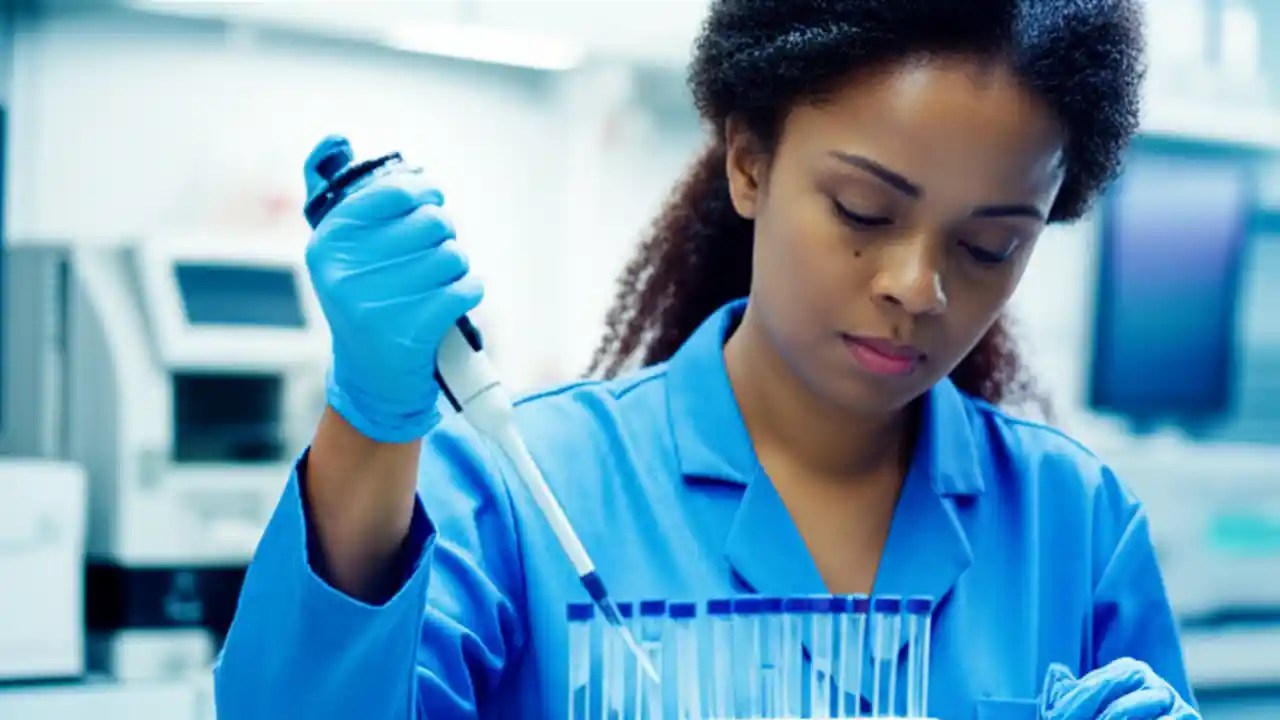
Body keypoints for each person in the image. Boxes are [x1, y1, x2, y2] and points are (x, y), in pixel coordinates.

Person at [214, 1, 1201, 718]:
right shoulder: (517, 491)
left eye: (990, 246)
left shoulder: (1074, 523)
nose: (917, 286)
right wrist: (370, 423)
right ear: (748, 161)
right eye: (863, 212)